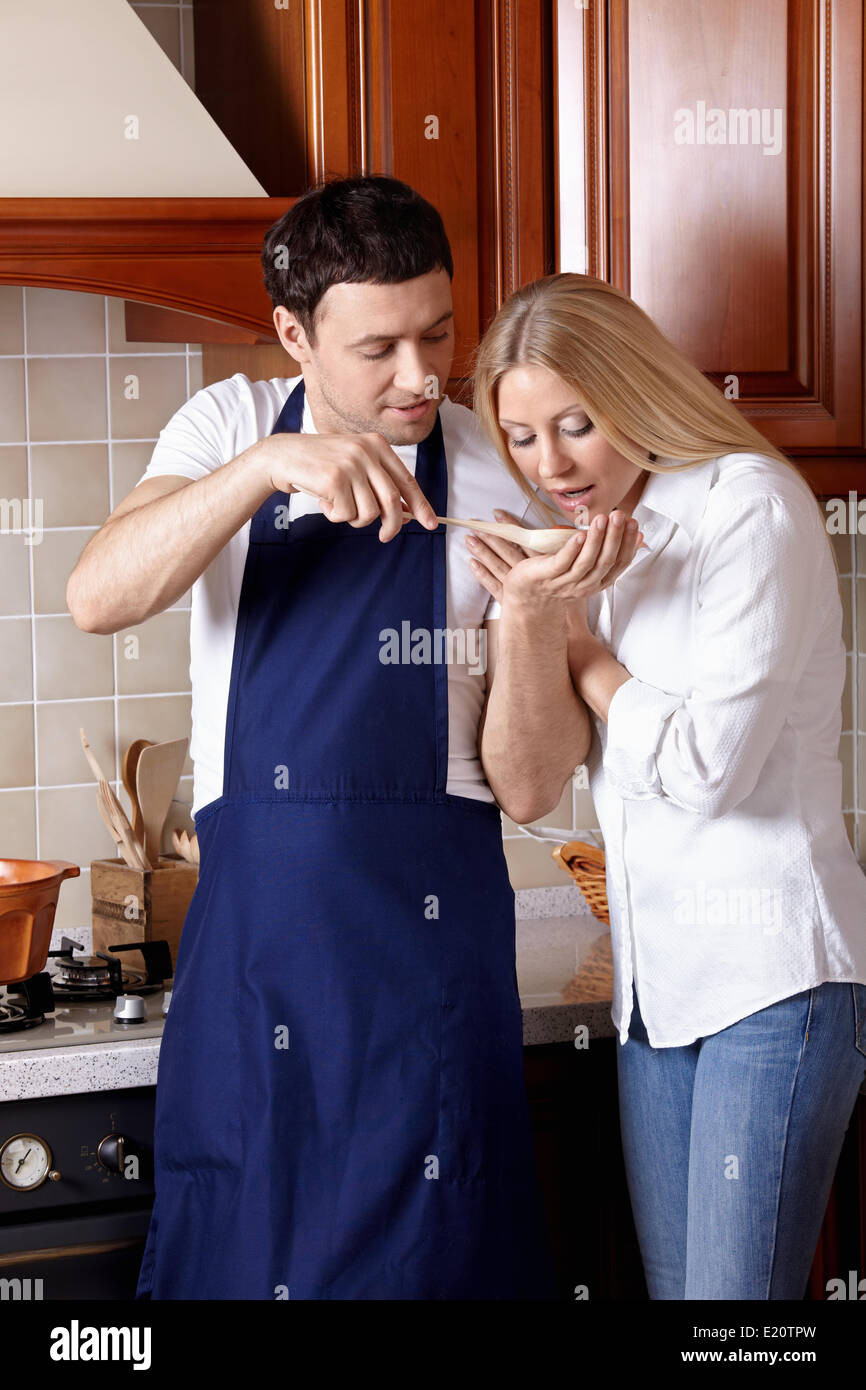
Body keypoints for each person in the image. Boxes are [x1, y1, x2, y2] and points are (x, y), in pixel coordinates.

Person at [68, 177, 629, 1301]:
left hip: (430, 970)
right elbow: (98, 594)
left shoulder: (495, 468)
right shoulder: (227, 426)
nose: (421, 377)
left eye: (437, 332)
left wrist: (527, 613)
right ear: (294, 335)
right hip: (256, 963)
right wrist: (266, 472)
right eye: (378, 348)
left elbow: (525, 786)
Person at [466, 271, 866, 1300]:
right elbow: (536, 779)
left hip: (774, 984)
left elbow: (702, 770)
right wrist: (528, 617)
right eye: (518, 436)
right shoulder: (596, 541)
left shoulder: (749, 509)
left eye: (575, 424)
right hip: (656, 994)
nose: (548, 463)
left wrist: (581, 646)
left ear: (635, 393)